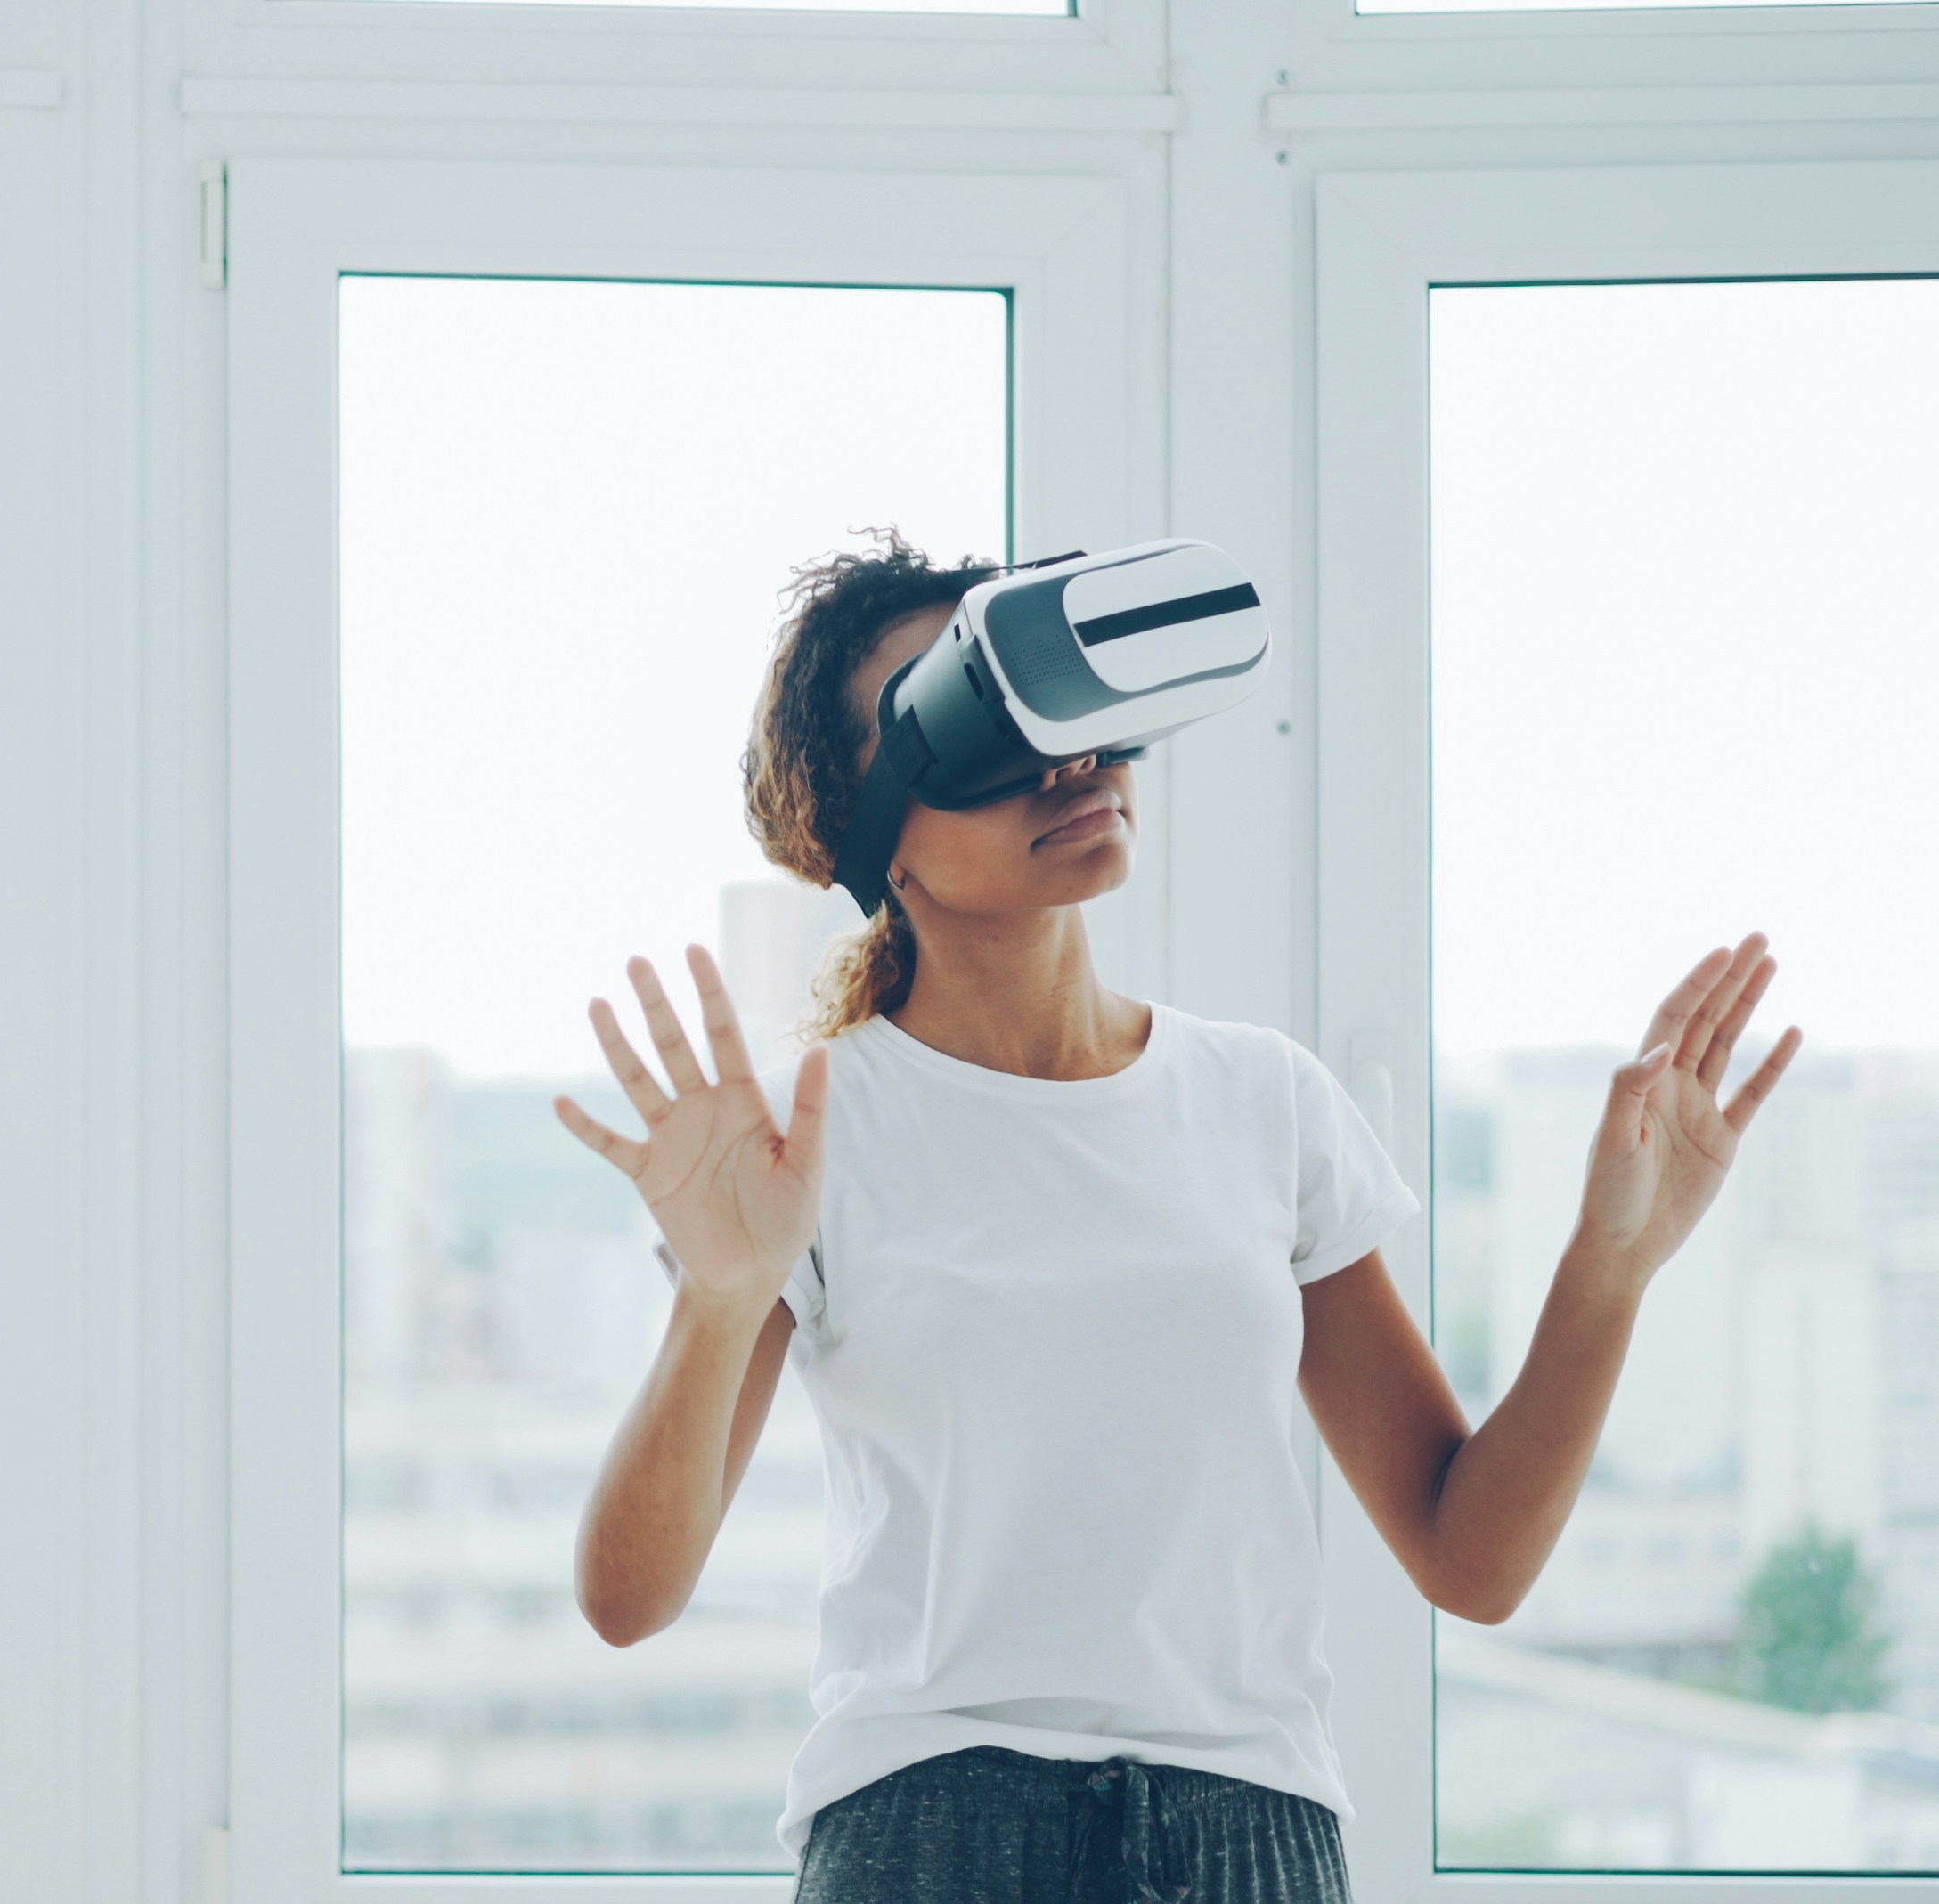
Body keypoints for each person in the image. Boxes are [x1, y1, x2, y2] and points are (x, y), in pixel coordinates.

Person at [553, 533, 1801, 1904]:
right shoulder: (813, 1137)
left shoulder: (1264, 1098)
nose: (1066, 759)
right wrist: (721, 1294)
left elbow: (1472, 1553)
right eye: (978, 719)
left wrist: (1609, 1267)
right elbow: (629, 1598)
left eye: (1067, 702)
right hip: (932, 1836)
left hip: (1252, 1836)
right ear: (864, 826)